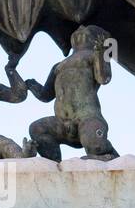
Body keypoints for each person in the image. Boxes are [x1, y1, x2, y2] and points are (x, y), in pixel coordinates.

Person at [25, 25, 119, 162]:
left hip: (87, 118)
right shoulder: (58, 66)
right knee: (37, 128)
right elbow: (46, 95)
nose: (81, 28)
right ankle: (54, 165)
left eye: (86, 30)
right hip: (62, 124)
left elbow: (103, 78)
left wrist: (101, 54)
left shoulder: (93, 55)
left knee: (95, 143)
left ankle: (110, 157)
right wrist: (32, 85)